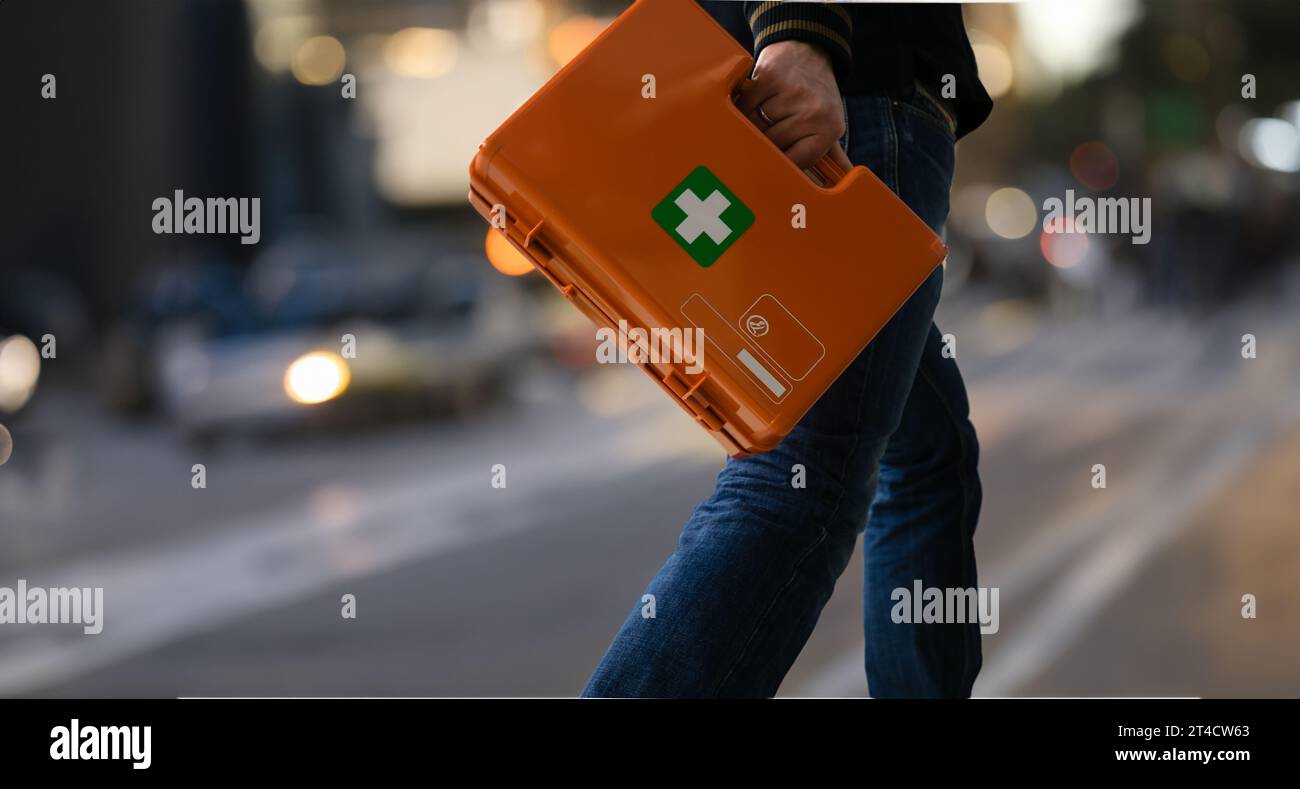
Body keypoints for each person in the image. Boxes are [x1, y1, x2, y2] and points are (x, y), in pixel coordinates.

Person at [583, 1, 992, 698]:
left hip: (792, 89)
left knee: (926, 450)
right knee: (803, 476)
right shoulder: (809, 52)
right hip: (842, 101)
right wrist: (800, 33)